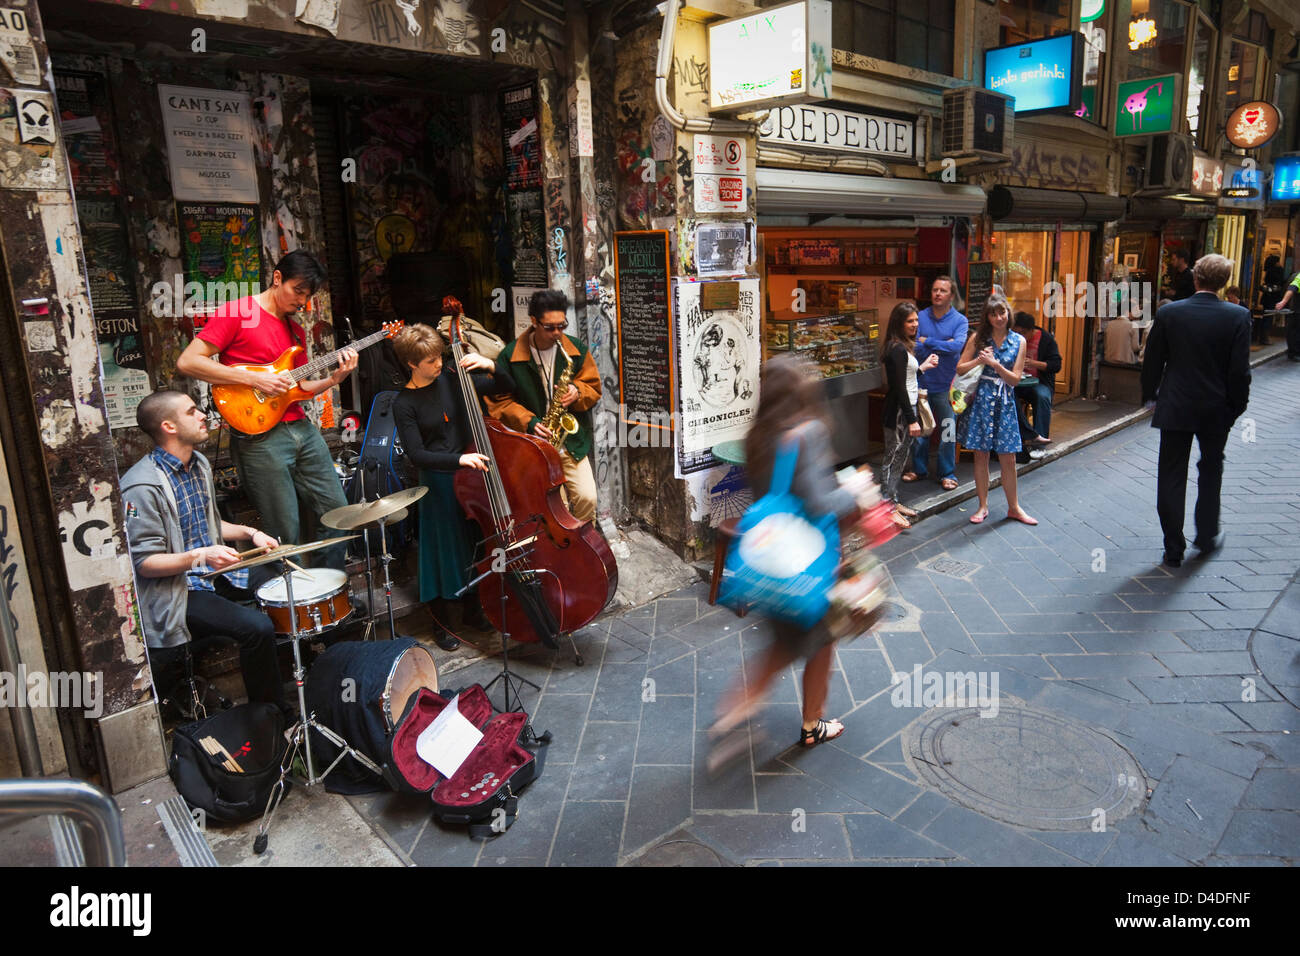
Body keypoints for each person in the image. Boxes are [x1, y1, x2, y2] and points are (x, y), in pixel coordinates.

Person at [709, 356, 860, 760]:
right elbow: (818, 502)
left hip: (770, 565)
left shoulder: (758, 438)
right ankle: (809, 724)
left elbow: (773, 499)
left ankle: (730, 715)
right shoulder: (805, 435)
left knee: (782, 647)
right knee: (817, 641)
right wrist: (856, 490)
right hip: (806, 566)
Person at [174, 250, 356, 571]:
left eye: (308, 295)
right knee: (284, 531)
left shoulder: (295, 332)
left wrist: (333, 379)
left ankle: (332, 592)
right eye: (297, 290)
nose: (302, 301)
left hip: (301, 428)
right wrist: (253, 377)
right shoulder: (238, 313)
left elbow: (297, 390)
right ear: (276, 278)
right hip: (260, 438)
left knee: (340, 513)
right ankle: (294, 611)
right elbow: (188, 361)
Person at [121, 390, 288, 716]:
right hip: (179, 588)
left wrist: (251, 533)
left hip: (214, 572)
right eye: (192, 411)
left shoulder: (196, 463)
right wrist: (201, 556)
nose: (203, 415)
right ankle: (270, 714)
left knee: (282, 586)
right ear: (169, 426)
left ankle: (300, 676)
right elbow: (145, 563)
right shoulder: (140, 486)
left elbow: (207, 523)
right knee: (258, 628)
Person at [391, 325, 512, 652]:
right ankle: (442, 622)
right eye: (430, 361)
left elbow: (506, 385)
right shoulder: (404, 403)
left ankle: (474, 611)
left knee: (474, 542)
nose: (439, 364)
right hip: (441, 477)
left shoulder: (452, 377)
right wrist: (460, 459)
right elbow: (417, 455)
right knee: (444, 551)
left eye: (440, 357)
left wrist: (490, 366)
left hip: (472, 472)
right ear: (412, 364)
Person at [1141, 254, 1251, 568]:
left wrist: (1150, 397)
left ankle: (1173, 547)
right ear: (1224, 282)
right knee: (1212, 469)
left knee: (1171, 473)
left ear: (1196, 278)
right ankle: (1205, 535)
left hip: (1176, 404)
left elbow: (1153, 361)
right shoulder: (1238, 316)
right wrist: (1236, 406)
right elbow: (1239, 372)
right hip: (1216, 408)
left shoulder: (1171, 313)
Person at [485, 290, 602, 522]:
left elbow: (594, 388)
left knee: (588, 499)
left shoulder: (575, 350)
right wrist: (530, 422)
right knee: (557, 507)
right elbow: (498, 402)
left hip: (570, 442)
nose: (557, 333)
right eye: (550, 328)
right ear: (534, 322)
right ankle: (564, 553)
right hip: (534, 444)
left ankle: (583, 547)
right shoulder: (510, 355)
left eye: (562, 326)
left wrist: (578, 391)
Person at [954, 293, 1036, 526]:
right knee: (981, 455)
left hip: (1005, 402)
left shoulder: (1019, 341)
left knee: (1008, 457)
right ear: (987, 317)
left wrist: (995, 364)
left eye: (1002, 312)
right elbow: (960, 368)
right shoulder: (978, 339)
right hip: (981, 401)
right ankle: (982, 506)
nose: (999, 317)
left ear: (1008, 314)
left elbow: (1015, 380)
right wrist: (980, 361)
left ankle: (1014, 507)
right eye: (993, 314)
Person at [905, 275, 967, 491]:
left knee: (948, 431)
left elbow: (957, 347)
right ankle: (919, 469)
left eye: (942, 290)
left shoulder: (960, 320)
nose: (937, 294)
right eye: (934, 290)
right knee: (921, 431)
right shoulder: (920, 317)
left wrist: (928, 342)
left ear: (951, 295)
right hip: (922, 382)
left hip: (950, 386)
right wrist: (942, 344)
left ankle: (947, 473)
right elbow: (915, 346)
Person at [880, 302, 937, 529]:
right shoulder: (896, 349)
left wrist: (922, 367)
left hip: (905, 408)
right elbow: (899, 387)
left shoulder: (901, 348)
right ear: (899, 323)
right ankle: (885, 507)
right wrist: (911, 419)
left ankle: (892, 501)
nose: (915, 325)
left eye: (916, 320)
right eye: (910, 321)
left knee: (900, 458)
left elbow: (906, 378)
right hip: (899, 412)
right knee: (893, 457)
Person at [1011, 312, 1061, 455]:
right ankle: (1025, 436)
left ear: (1031, 330)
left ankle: (1039, 443)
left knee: (1043, 396)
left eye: (1022, 333)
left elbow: (1056, 365)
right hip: (1014, 382)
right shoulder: (1011, 339)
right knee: (1007, 397)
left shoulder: (1046, 339)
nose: (1019, 336)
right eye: (1015, 332)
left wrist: (1034, 364)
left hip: (1038, 382)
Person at [1258, 255, 1285, 349]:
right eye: (1278, 261)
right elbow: (1281, 282)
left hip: (1267, 297)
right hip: (1272, 297)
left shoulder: (1268, 271)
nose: (1280, 263)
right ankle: (1265, 337)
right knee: (1269, 317)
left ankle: (1263, 337)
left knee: (1266, 316)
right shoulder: (1277, 271)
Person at [1275, 266, 1300, 360]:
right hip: (1297, 311)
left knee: (1293, 331)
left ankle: (1294, 352)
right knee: (1295, 331)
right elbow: (1292, 288)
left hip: (1295, 310)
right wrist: (1283, 302)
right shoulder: (1299, 277)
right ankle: (1294, 353)